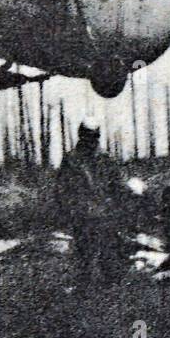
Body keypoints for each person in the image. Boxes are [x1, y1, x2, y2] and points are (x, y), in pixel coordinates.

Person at [55, 120, 124, 283]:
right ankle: (84, 283)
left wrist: (117, 206)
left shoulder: (105, 158)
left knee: (108, 249)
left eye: (94, 137)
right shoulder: (71, 159)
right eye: (88, 137)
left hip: (104, 212)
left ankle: (111, 282)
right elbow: (62, 188)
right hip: (82, 213)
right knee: (83, 251)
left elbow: (117, 184)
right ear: (81, 135)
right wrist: (67, 210)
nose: (92, 141)